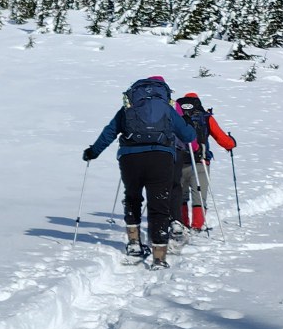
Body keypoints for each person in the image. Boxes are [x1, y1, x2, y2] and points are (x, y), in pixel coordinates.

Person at [82, 75, 196, 267]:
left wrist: (93, 152)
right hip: (161, 158)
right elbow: (188, 135)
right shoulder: (167, 109)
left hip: (130, 158)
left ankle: (134, 245)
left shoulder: (128, 108)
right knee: (158, 204)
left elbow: (110, 132)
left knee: (133, 198)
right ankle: (159, 257)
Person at [174, 91, 236, 233]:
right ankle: (197, 226)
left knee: (180, 196)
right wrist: (231, 143)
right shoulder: (205, 117)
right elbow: (221, 138)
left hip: (178, 161)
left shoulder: (176, 116)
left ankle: (182, 224)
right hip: (200, 161)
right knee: (199, 195)